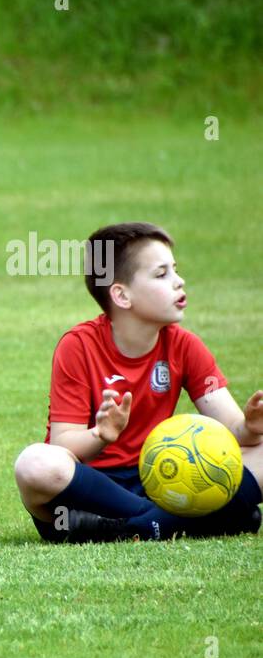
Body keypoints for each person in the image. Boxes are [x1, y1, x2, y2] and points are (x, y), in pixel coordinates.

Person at [13, 222, 262, 542]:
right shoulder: (78, 345)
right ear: (121, 294)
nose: (179, 281)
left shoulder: (185, 346)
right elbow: (64, 447)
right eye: (162, 274)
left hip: (162, 480)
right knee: (35, 464)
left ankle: (142, 525)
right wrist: (101, 435)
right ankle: (188, 521)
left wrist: (251, 428)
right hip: (88, 493)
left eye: (175, 270)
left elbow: (233, 432)